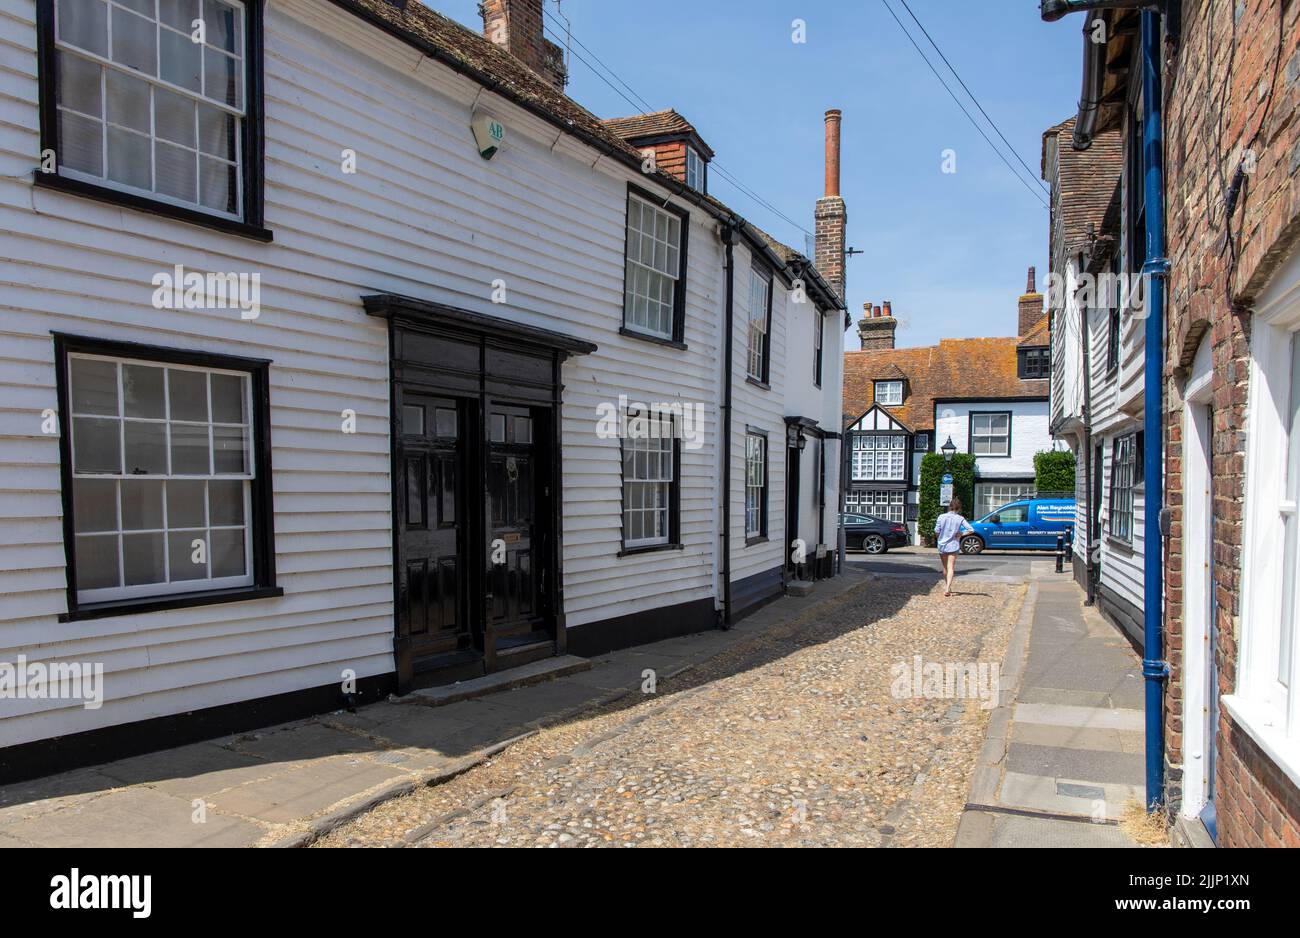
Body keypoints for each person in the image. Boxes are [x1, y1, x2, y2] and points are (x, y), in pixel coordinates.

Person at [934, 497, 974, 597]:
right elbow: (971, 529)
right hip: (953, 545)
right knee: (950, 567)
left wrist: (939, 539)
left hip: (942, 544)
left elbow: (936, 531)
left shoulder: (941, 516)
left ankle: (947, 585)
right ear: (959, 508)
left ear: (949, 506)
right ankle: (948, 588)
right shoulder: (960, 518)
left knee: (944, 568)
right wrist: (961, 533)